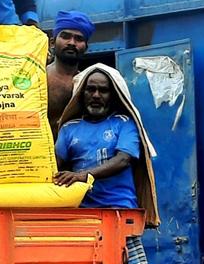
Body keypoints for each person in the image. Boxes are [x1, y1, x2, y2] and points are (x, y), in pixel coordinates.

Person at [54, 64, 141, 209]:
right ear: (82, 94)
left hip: (119, 206)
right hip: (80, 208)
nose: (96, 95)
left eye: (103, 90)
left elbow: (123, 160)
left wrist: (83, 176)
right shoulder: (68, 129)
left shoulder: (124, 123)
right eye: (90, 89)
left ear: (113, 96)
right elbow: (55, 165)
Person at [47, 10, 94, 131]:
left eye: (78, 39)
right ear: (52, 42)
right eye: (65, 36)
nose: (72, 43)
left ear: (86, 47)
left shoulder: (88, 83)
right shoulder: (38, 78)